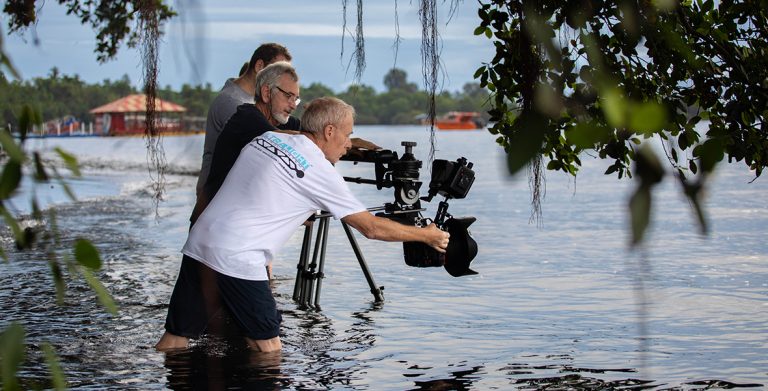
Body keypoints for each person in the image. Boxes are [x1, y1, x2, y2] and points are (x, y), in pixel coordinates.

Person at [156, 96, 450, 352]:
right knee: (268, 348)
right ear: (329, 130)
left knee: (175, 339)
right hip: (237, 257)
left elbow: (276, 180)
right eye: (347, 136)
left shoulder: (269, 138)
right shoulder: (319, 171)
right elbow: (370, 227)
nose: (349, 145)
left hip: (200, 242)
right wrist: (425, 236)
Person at [196, 43, 298, 199]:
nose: (284, 76)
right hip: (216, 193)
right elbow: (271, 140)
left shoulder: (253, 103)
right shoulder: (232, 102)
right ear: (259, 66)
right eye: (279, 69)